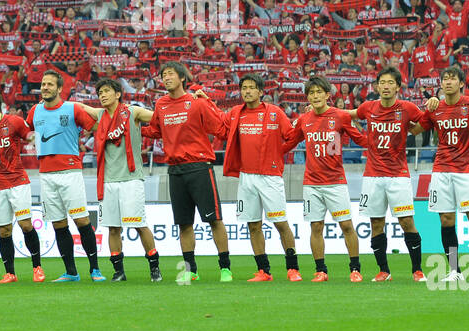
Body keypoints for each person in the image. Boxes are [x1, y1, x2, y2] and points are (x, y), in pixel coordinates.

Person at [145, 61, 233, 282]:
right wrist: (131, 123)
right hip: (174, 169)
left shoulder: (197, 103)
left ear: (182, 78)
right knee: (184, 223)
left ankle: (225, 268)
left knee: (214, 220)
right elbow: (155, 130)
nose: (166, 78)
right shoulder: (161, 104)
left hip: (199, 167)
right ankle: (191, 269)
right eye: (163, 74)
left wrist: (210, 102)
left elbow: (220, 128)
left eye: (171, 74)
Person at [418, 67, 469, 283]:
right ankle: (454, 271)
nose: (448, 82)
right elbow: (415, 129)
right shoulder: (436, 107)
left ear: (462, 83)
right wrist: (426, 107)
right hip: (441, 170)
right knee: (446, 219)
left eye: (453, 79)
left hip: (466, 170)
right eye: (445, 79)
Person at [77, 79, 160, 282]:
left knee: (140, 225)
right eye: (100, 92)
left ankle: (155, 268)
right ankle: (118, 271)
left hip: (131, 179)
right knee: (113, 227)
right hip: (108, 181)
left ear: (118, 94)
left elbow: (160, 117)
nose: (102, 95)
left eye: (106, 91)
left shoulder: (134, 112)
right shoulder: (100, 114)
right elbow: (81, 106)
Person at [285, 76, 367, 282]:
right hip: (311, 184)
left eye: (319, 92)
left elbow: (360, 138)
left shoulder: (340, 116)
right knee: (316, 227)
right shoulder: (304, 120)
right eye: (311, 93)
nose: (315, 96)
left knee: (347, 225)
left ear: (327, 95)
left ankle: (355, 269)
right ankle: (321, 270)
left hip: (335, 182)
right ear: (308, 97)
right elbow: (288, 143)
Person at [219, 74, 300, 282]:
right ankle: (264, 271)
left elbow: (292, 136)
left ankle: (293, 268)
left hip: (270, 177)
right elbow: (218, 122)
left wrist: (278, 152)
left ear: (261, 92)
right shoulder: (236, 113)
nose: (247, 91)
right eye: (244, 88)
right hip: (246, 177)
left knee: (280, 223)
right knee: (253, 225)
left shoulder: (275, 113)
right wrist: (203, 101)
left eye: (252, 88)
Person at [27, 70, 103, 282]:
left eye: (50, 84)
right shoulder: (34, 111)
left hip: (70, 172)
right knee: (58, 224)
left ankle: (95, 269)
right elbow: (26, 131)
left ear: (60, 88)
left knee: (81, 220)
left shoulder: (72, 109)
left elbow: (96, 126)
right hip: (46, 175)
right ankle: (71, 272)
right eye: (43, 84)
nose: (45, 87)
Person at [353, 67, 427, 282]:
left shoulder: (407, 108)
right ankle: (384, 271)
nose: (385, 86)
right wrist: (322, 109)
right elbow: (348, 115)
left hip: (398, 176)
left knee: (406, 222)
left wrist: (415, 129)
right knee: (376, 223)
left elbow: (426, 122)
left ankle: (417, 270)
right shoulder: (369, 107)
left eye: (390, 83)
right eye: (382, 82)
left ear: (397, 86)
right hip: (372, 176)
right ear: (377, 86)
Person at [0, 88, 43, 283]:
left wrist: (35, 137)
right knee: (3, 230)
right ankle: (10, 273)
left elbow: (30, 136)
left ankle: (37, 267)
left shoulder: (13, 121)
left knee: (25, 225)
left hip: (17, 182)